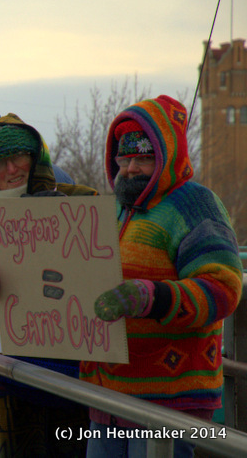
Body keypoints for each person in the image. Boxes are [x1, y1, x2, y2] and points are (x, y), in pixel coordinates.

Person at [80, 96, 243, 458]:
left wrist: (152, 297)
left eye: (143, 158)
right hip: (106, 393)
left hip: (168, 399)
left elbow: (223, 287)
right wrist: (14, 281)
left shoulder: (194, 205)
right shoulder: (116, 209)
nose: (132, 168)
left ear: (166, 156)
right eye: (125, 158)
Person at [0, 113, 97, 458]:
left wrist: (66, 224)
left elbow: (106, 269)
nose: (12, 169)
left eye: (19, 157)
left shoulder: (82, 199)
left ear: (35, 158)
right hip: (9, 374)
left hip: (73, 372)